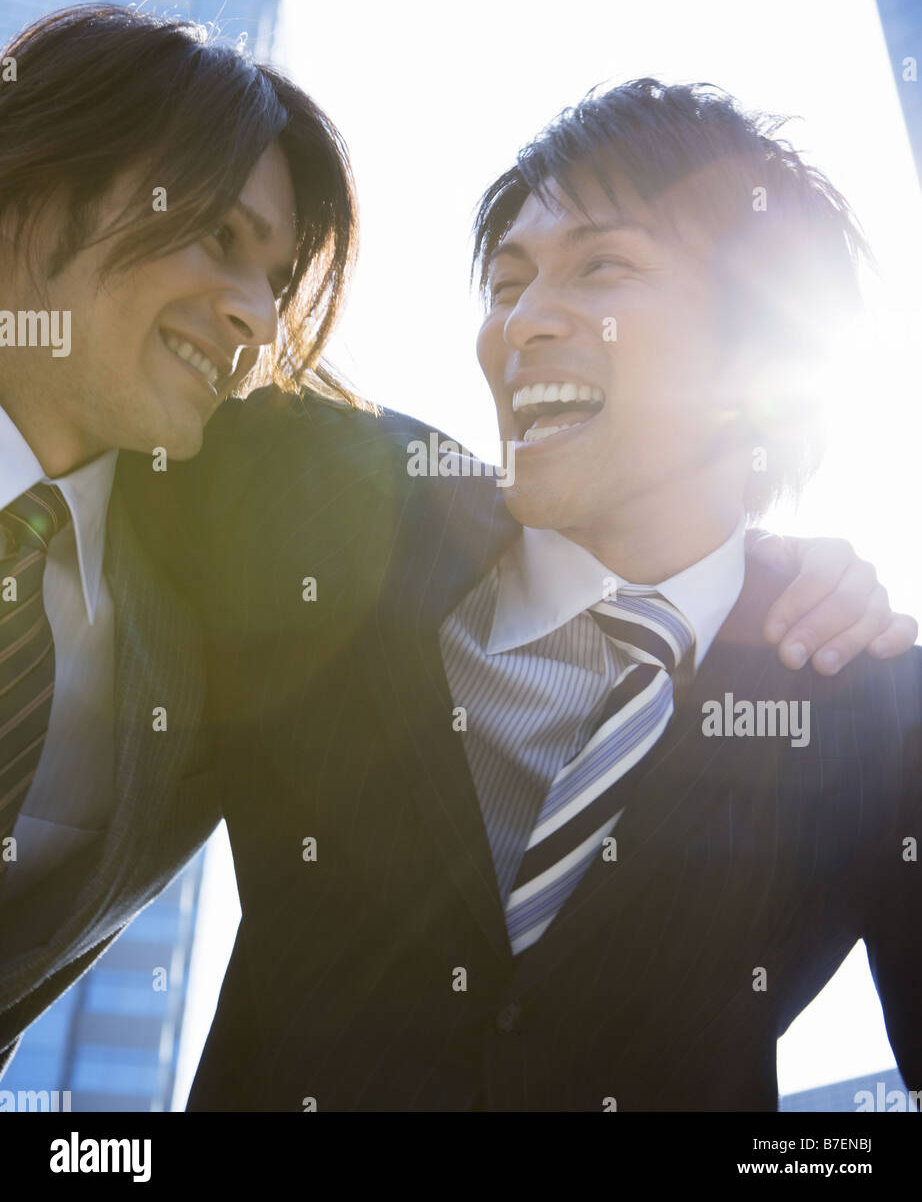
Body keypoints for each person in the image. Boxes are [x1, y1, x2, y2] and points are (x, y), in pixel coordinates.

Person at [116, 78, 921, 1111]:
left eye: (602, 266)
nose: (523, 323)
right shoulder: (324, 495)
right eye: (507, 281)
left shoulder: (874, 712)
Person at [0, 2, 357, 1078]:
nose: (257, 315)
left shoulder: (199, 643)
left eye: (277, 277)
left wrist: (760, 575)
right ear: (34, 177)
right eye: (218, 236)